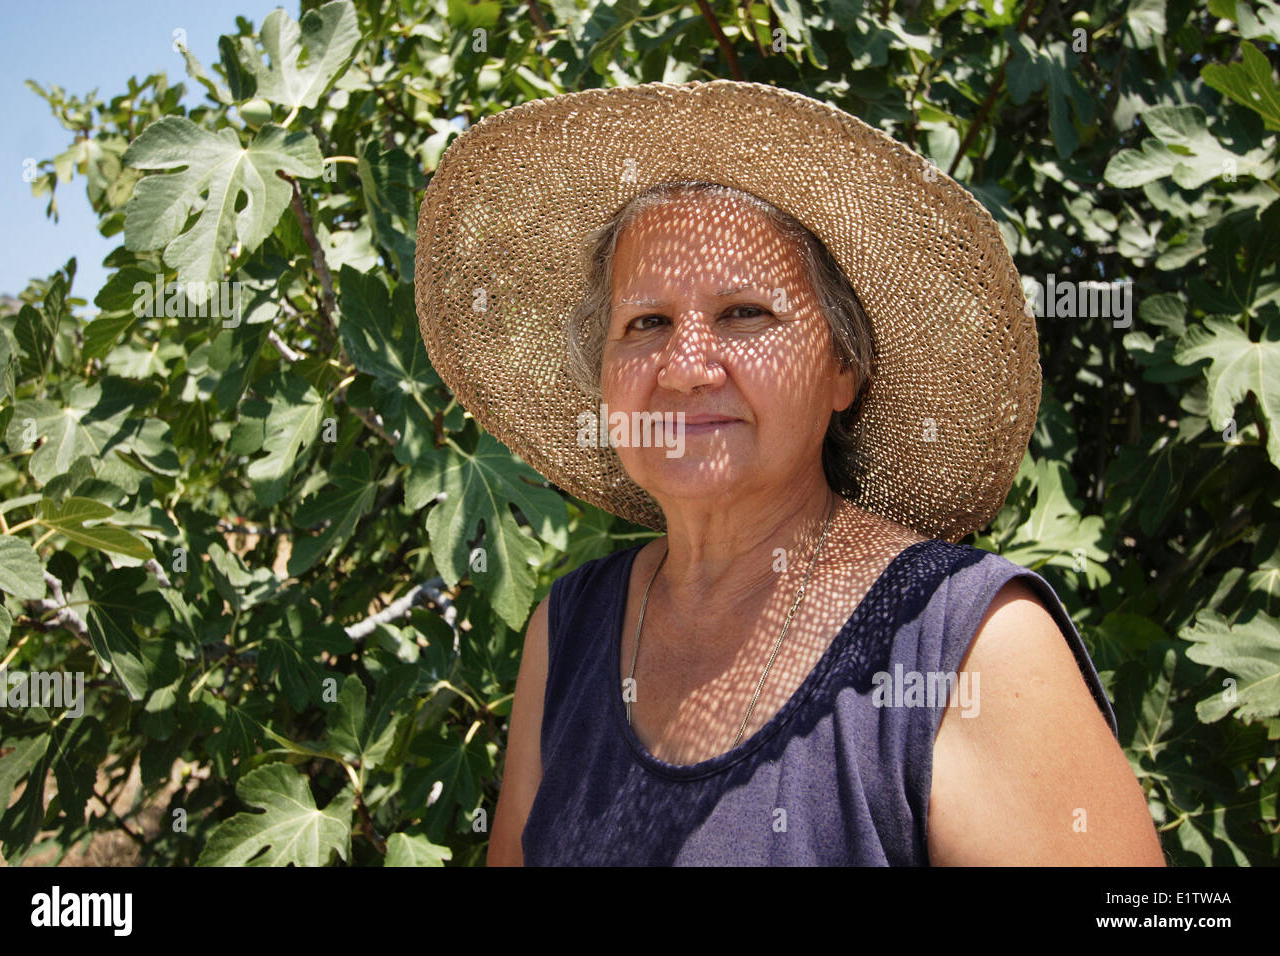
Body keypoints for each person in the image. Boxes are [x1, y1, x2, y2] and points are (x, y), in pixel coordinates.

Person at [413, 80, 1165, 866]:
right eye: (645, 323)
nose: (684, 368)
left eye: (745, 314)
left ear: (844, 370)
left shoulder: (970, 646)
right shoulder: (567, 634)